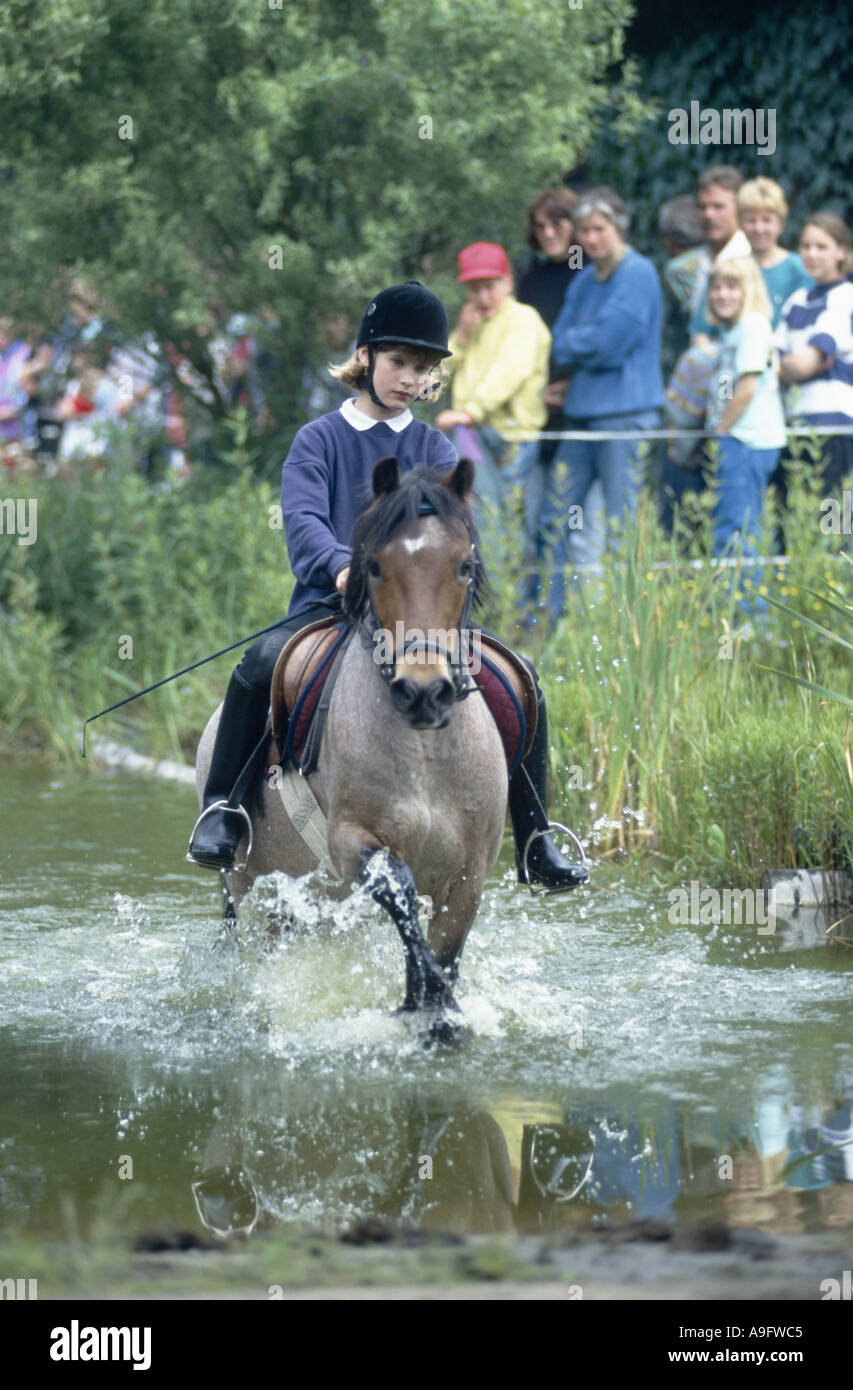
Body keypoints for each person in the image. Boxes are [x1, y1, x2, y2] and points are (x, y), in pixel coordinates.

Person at [188, 282, 586, 892]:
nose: (410, 378)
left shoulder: (434, 447)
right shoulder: (318, 440)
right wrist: (341, 566)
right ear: (367, 355)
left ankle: (536, 838)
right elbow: (302, 524)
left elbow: (453, 538)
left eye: (423, 369)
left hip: (420, 615)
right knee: (258, 662)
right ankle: (224, 810)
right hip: (332, 607)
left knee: (521, 677)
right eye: (399, 362)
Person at [544, 188, 664, 621]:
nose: (591, 239)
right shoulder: (582, 279)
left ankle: (629, 619)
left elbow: (611, 345)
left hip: (625, 416)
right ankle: (553, 617)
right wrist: (584, 342)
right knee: (558, 517)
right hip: (581, 415)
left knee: (622, 525)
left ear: (619, 227)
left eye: (600, 229)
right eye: (585, 230)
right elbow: (559, 341)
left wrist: (582, 342)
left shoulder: (639, 273)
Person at [512, 187, 603, 608]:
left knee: (582, 525)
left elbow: (597, 344)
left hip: (581, 415)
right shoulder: (529, 280)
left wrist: (570, 388)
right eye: (540, 226)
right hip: (534, 417)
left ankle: (587, 615)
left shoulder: (591, 276)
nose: (548, 233)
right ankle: (543, 613)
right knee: (537, 522)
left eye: (557, 224)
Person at [435, 243, 551, 518]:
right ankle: (487, 560)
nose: (483, 297)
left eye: (490, 286)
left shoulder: (523, 319)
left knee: (507, 514)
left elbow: (509, 373)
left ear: (508, 283)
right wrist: (461, 339)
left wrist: (468, 412)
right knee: (477, 507)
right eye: (474, 289)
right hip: (472, 433)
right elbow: (435, 376)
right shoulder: (472, 323)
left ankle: (507, 562)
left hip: (511, 436)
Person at [703, 257, 786, 610]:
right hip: (739, 440)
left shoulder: (753, 325)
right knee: (735, 529)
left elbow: (747, 387)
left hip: (745, 441)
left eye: (732, 286)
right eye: (717, 286)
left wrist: (720, 433)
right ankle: (739, 615)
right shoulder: (732, 331)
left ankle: (748, 621)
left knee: (736, 533)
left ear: (749, 290)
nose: (722, 294)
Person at [776, 212, 853, 492]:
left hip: (835, 430)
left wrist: (791, 367)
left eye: (821, 247)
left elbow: (806, 364)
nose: (811, 254)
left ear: (841, 251)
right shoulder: (795, 301)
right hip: (796, 429)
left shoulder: (846, 296)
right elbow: (775, 365)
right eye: (806, 246)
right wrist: (788, 367)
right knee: (799, 520)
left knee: (834, 522)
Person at [688, 167, 752, 346]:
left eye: (718, 207)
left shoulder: (749, 258)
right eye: (702, 207)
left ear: (738, 209)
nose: (709, 215)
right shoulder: (700, 261)